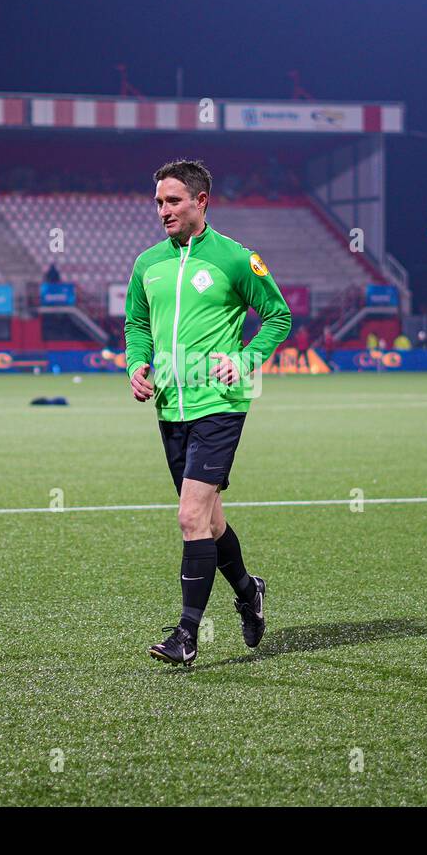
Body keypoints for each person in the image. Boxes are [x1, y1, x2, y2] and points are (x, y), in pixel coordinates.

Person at [125, 159, 291, 666]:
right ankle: (248, 591)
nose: (163, 211)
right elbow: (136, 323)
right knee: (211, 523)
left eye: (172, 201)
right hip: (170, 405)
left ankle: (186, 635)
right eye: (158, 202)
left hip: (220, 404)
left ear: (201, 201)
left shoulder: (238, 259)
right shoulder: (147, 263)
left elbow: (278, 316)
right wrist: (137, 363)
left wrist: (244, 360)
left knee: (190, 515)